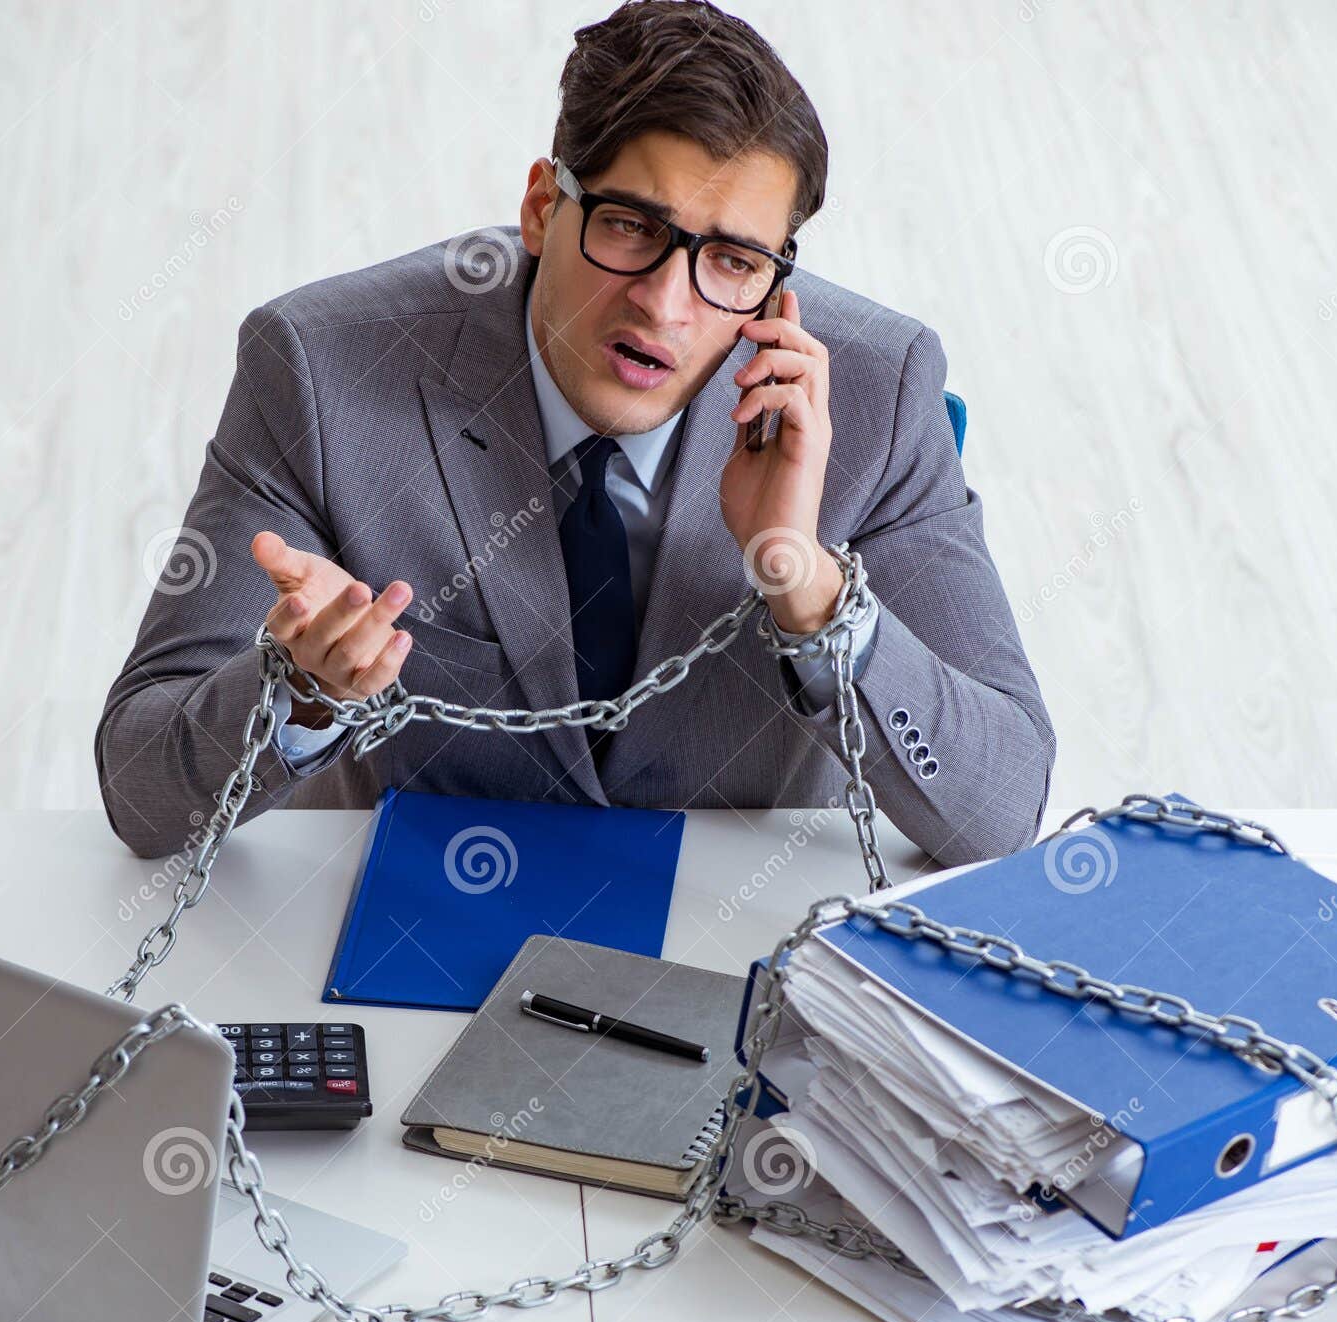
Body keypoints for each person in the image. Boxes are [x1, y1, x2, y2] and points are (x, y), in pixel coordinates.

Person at [97, 0, 1054, 865]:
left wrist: (803, 580)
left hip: (732, 944)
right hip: (419, 930)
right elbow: (140, 792)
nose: (665, 306)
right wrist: (301, 695)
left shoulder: (881, 389)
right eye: (632, 226)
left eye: (732, 260)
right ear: (543, 207)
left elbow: (1002, 809)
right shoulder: (320, 368)